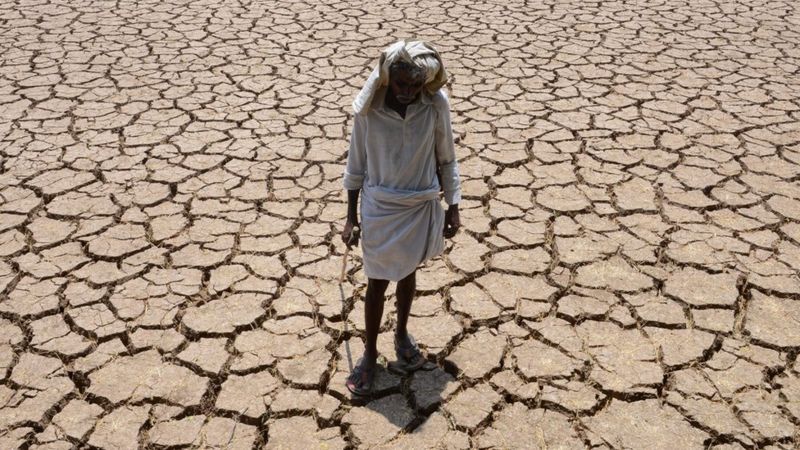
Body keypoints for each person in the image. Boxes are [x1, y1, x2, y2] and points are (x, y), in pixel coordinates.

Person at [341, 40, 462, 396]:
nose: (408, 91)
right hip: (380, 205)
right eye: (401, 84)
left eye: (415, 85)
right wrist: (351, 218)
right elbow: (355, 168)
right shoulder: (370, 110)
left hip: (419, 202)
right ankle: (369, 354)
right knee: (377, 281)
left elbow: (447, 158)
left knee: (409, 271)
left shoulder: (436, 104)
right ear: (387, 79)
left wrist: (453, 206)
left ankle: (402, 333)